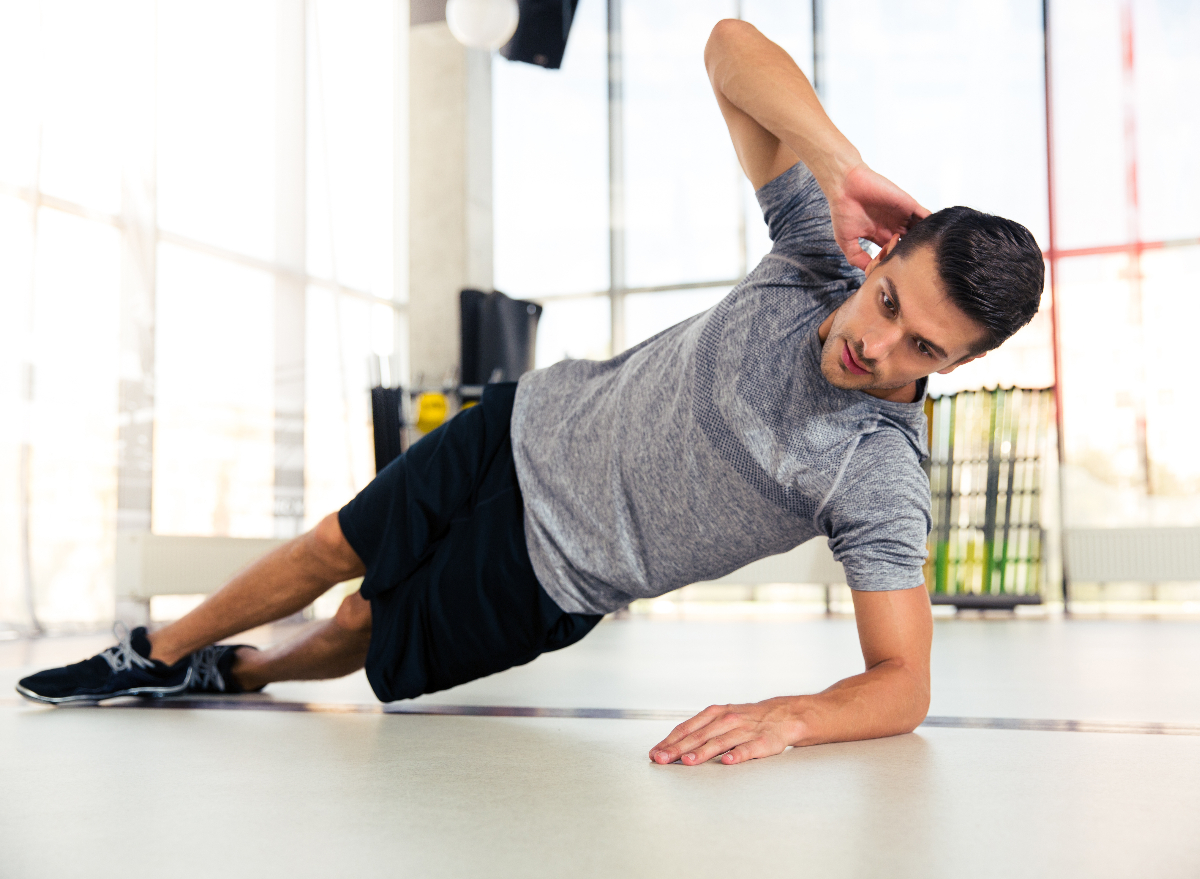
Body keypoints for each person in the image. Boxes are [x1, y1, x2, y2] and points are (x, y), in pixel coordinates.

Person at [17, 20, 1043, 767]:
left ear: (956, 366)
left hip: (549, 575)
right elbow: (729, 45)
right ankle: (151, 654)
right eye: (891, 298)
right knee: (337, 542)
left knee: (354, 630)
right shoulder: (819, 250)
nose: (881, 343)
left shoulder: (878, 475)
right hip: (525, 425)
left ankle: (237, 673)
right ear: (882, 251)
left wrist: (800, 714)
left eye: (924, 348)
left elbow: (903, 681)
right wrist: (836, 160)